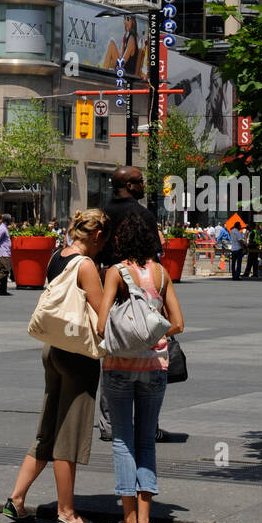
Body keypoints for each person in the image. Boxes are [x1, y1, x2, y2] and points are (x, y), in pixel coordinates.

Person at [3, 209, 109, 523]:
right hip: (78, 354)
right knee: (70, 435)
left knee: (47, 430)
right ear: (98, 236)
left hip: (52, 348)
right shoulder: (86, 265)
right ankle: (66, 512)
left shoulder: (56, 256)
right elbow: (101, 318)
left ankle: (17, 499)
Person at [97, 211, 184, 523]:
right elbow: (178, 322)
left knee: (122, 440)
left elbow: (103, 322)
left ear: (121, 241)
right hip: (155, 366)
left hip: (118, 366)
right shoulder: (162, 274)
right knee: (146, 440)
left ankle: (128, 521)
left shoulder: (115, 273)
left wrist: (124, 332)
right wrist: (150, 333)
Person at [99, 169, 165, 443]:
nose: (143, 185)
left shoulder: (102, 212)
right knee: (146, 338)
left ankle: (109, 422)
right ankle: (148, 423)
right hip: (139, 281)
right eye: (140, 182)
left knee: (112, 346)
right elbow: (153, 252)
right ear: (128, 184)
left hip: (106, 280)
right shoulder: (143, 215)